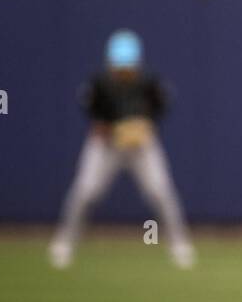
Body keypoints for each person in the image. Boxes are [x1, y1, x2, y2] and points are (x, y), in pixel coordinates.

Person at [49, 29, 196, 270]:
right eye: (120, 66)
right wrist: (107, 129)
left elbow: (160, 108)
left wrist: (143, 126)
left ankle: (180, 245)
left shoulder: (148, 83)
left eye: (128, 66)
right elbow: (94, 118)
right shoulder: (99, 84)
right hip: (107, 146)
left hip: (140, 147)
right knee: (85, 191)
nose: (124, 71)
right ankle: (64, 243)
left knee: (160, 191)